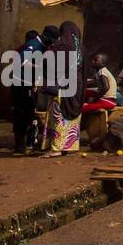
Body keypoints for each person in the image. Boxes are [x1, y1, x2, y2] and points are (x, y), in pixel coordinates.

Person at [42, 21, 85, 157]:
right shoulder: (82, 49)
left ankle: (56, 148)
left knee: (58, 115)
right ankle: (68, 145)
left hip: (62, 86)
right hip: (77, 87)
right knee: (71, 117)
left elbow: (46, 61)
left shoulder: (61, 46)